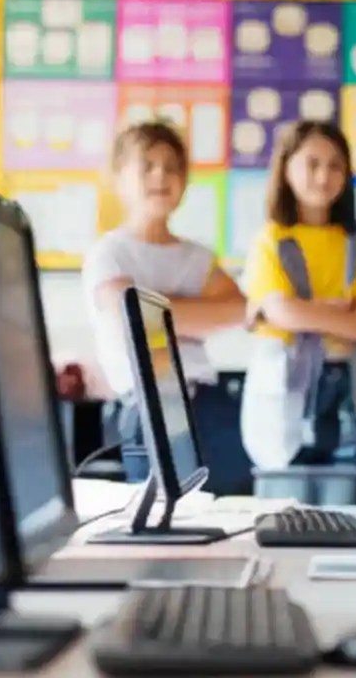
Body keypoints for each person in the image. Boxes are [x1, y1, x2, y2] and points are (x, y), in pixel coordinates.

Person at [81, 121, 250, 494]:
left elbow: (241, 310)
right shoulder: (108, 253)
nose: (162, 175)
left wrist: (161, 309)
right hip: (145, 404)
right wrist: (195, 314)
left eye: (173, 167)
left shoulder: (196, 256)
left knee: (230, 502)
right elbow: (135, 317)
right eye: (147, 166)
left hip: (209, 402)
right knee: (163, 507)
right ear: (118, 178)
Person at [240, 120, 356, 469]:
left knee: (344, 483)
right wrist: (338, 313)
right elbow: (281, 311)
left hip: (343, 379)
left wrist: (307, 311)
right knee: (285, 484)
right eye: (312, 164)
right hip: (283, 376)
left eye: (335, 165)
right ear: (286, 168)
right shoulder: (270, 239)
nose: (324, 176)